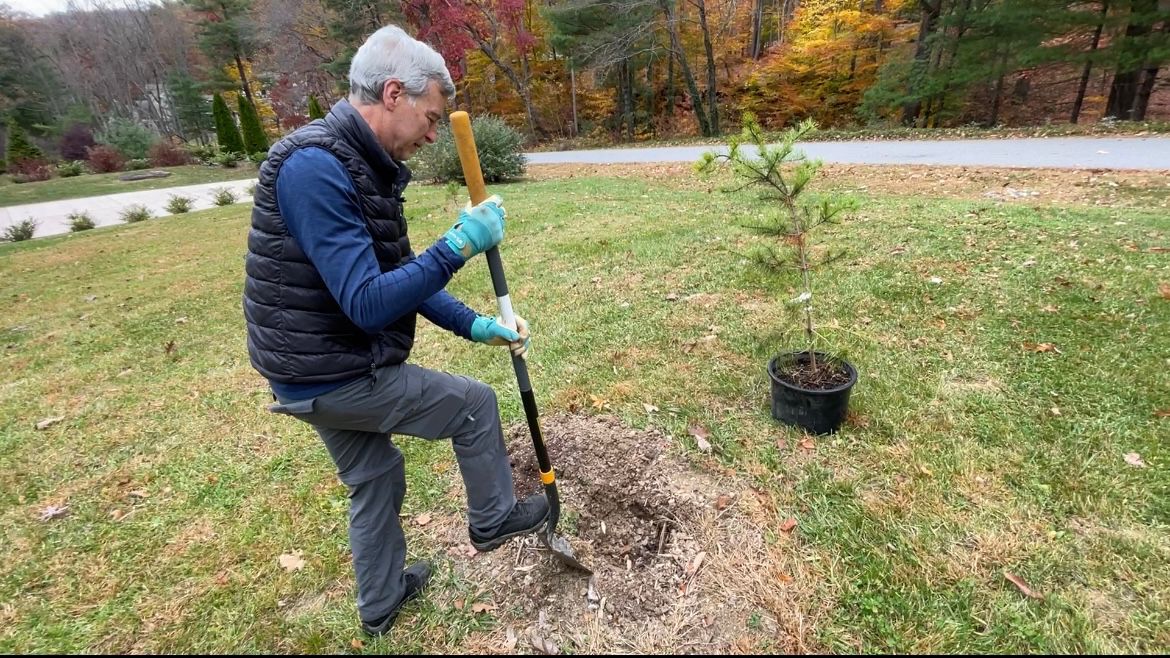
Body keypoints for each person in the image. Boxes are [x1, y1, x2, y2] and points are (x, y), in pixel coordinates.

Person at [242, 24, 549, 636]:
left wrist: (477, 325)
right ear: (392, 94)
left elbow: (403, 276)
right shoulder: (315, 168)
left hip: (314, 367)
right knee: (474, 406)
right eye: (431, 117)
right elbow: (366, 302)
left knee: (376, 475)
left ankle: (380, 603)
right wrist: (459, 243)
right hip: (329, 370)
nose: (435, 133)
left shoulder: (363, 166)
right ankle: (493, 518)